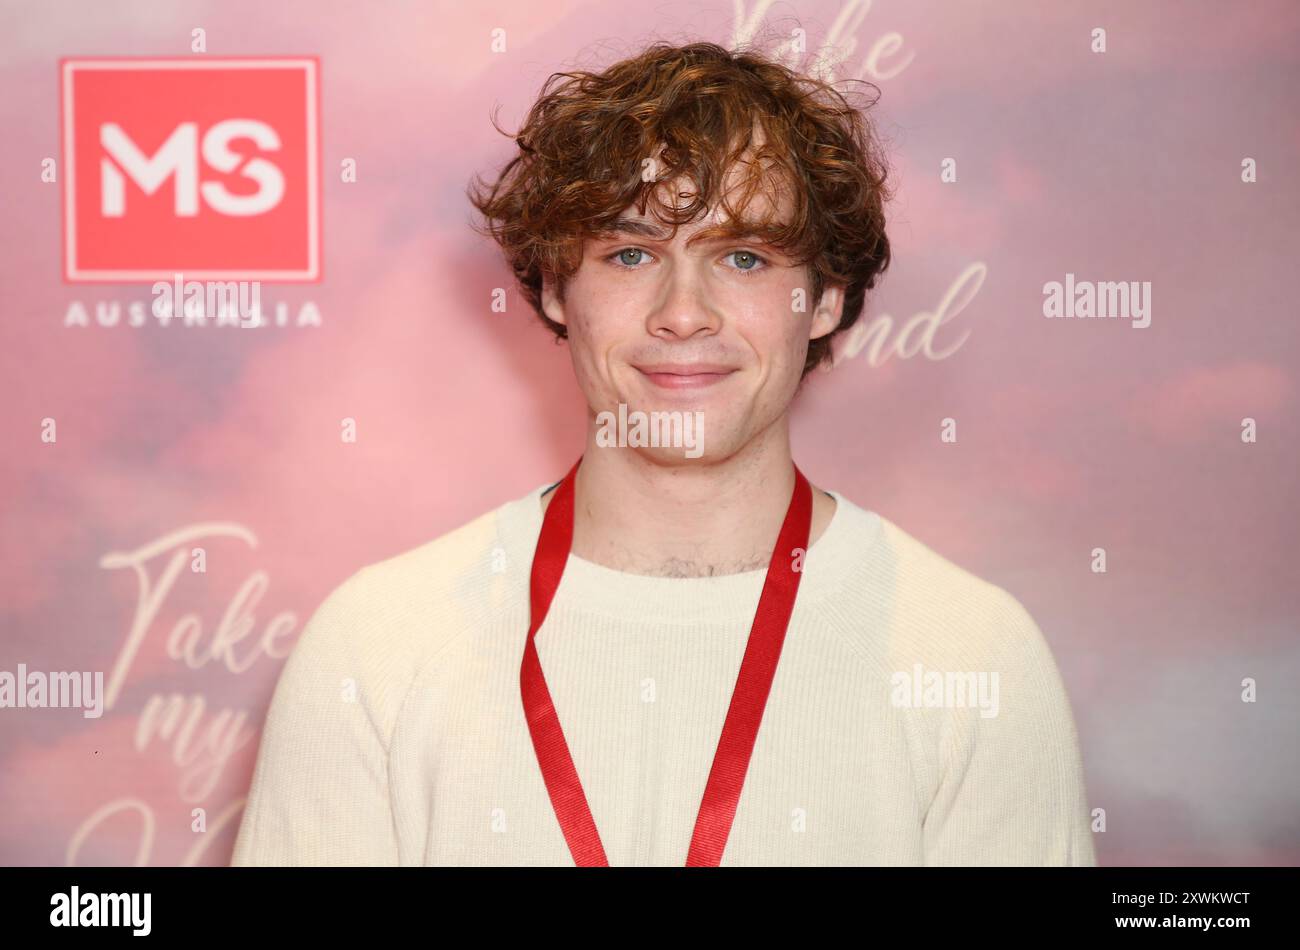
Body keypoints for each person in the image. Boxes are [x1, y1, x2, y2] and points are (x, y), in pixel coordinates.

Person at [231, 40, 1096, 866]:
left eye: (746, 258)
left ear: (826, 299)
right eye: (632, 252)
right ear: (556, 288)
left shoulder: (972, 657)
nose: (684, 312)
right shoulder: (376, 647)